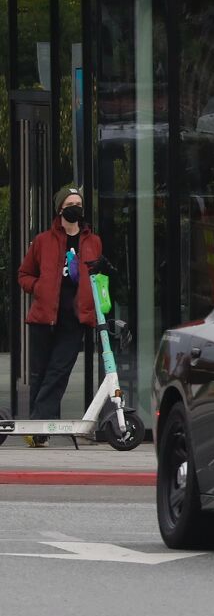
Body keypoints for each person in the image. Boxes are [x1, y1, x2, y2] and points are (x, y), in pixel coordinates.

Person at [15, 188, 103, 447]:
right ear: (60, 210)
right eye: (70, 203)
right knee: (40, 374)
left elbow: (98, 276)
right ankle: (38, 434)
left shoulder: (93, 242)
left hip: (75, 319)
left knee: (58, 372)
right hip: (44, 318)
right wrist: (39, 287)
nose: (75, 208)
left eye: (78, 203)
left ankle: (36, 424)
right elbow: (24, 274)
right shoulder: (43, 241)